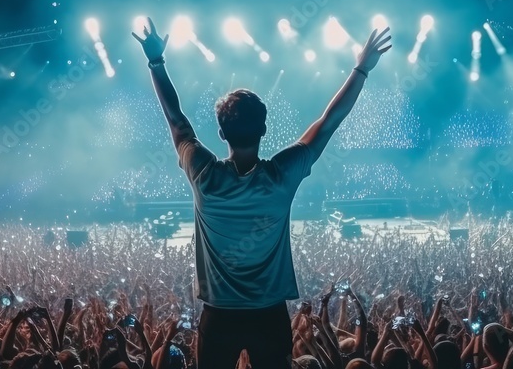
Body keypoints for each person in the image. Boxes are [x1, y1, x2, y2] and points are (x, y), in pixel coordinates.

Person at [132, 18, 391, 368]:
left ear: (221, 134)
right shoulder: (281, 176)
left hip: (219, 315)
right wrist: (361, 68)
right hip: (269, 315)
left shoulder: (203, 173)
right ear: (265, 129)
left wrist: (155, 62)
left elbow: (177, 121)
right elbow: (329, 121)